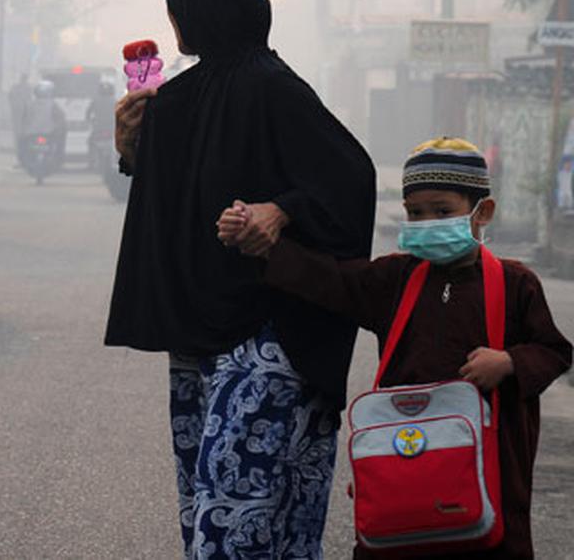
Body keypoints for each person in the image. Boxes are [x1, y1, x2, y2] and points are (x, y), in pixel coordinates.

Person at [106, 0, 377, 559]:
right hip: (196, 340)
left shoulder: (273, 87)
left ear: (202, 2)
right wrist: (131, 149)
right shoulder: (170, 102)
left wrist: (280, 210)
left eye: (179, 1)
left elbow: (350, 177)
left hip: (268, 339)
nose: (174, 17)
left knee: (234, 534)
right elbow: (170, 209)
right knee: (217, 514)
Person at [218, 137, 573, 559]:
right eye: (415, 212)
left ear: (483, 212)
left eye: (442, 211)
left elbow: (554, 350)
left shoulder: (516, 285)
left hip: (485, 466)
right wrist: (267, 246)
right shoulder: (395, 278)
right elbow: (330, 280)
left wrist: (511, 361)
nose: (427, 222)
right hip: (405, 456)